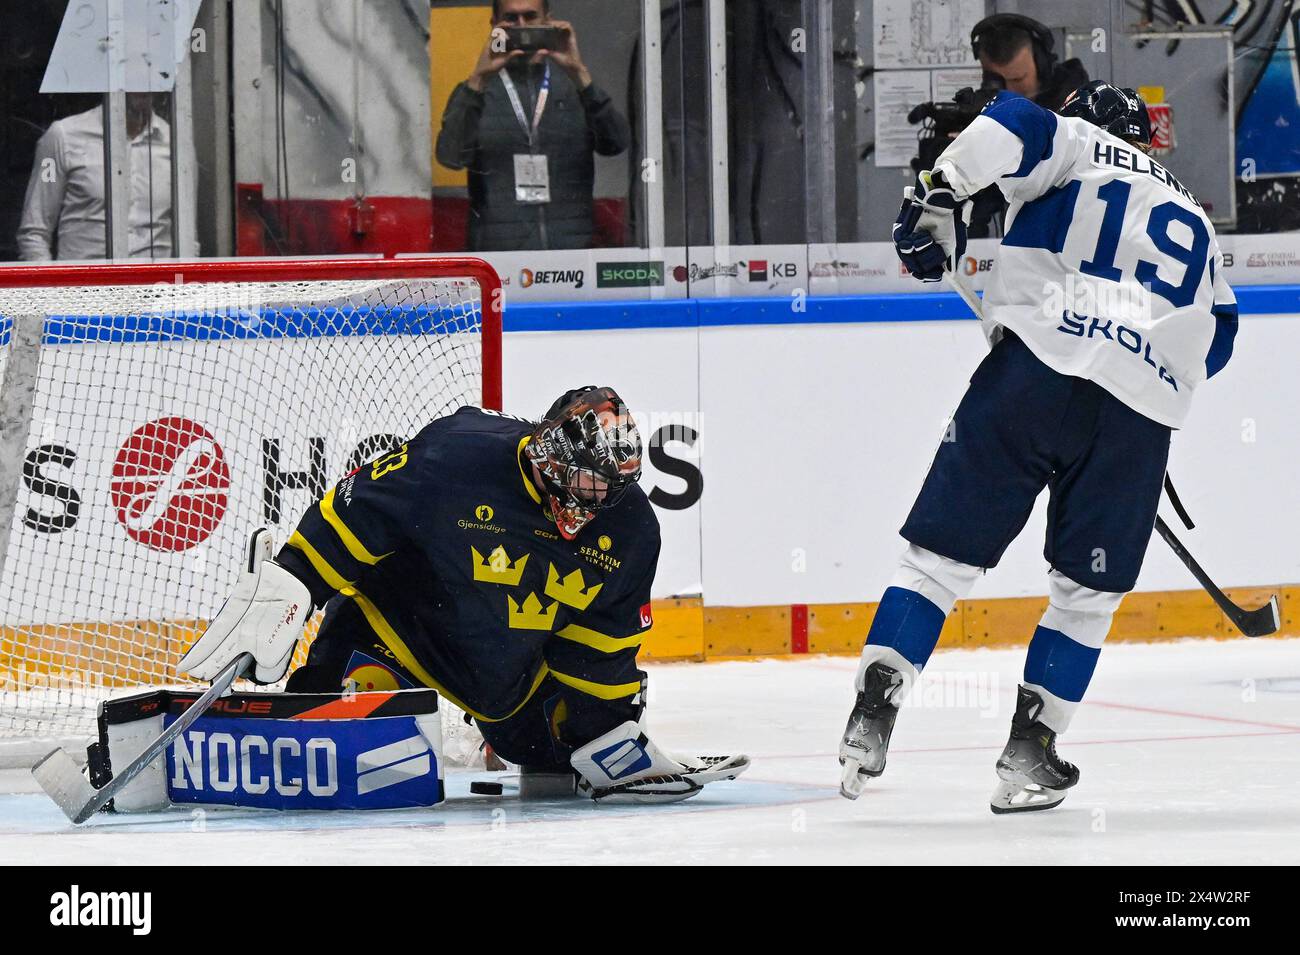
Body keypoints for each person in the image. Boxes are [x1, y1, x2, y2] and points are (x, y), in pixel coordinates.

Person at [841, 82, 1238, 813]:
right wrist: (1133, 365)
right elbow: (1219, 344)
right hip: (1135, 415)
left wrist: (937, 192)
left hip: (1028, 377)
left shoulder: (1074, 142)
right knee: (1085, 598)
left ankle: (874, 710)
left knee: (939, 562)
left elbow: (1015, 121)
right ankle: (1032, 749)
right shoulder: (1196, 218)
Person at [179, 386, 748, 802]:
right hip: (401, 628)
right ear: (550, 455)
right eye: (585, 484)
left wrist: (605, 729)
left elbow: (601, 644)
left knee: (550, 759)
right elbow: (357, 515)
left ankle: (513, 736)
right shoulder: (458, 455)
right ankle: (223, 741)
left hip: (507, 681)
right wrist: (295, 579)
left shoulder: (630, 529)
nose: (592, 505)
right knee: (324, 745)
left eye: (609, 490)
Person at [435, 0, 630, 251]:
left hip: (572, 255)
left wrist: (580, 73)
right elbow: (450, 158)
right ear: (494, 25)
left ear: (548, 21)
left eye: (530, 17)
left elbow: (616, 143)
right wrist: (479, 78)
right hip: (499, 256)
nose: (521, 27)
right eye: (511, 19)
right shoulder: (476, 91)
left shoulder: (574, 86)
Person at [16, 93, 197, 260]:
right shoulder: (63, 137)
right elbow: (34, 234)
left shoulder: (178, 145)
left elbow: (189, 240)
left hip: (156, 289)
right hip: (85, 289)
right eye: (131, 67)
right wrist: (58, 292)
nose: (141, 79)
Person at [962, 13, 1090, 237]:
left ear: (1041, 61)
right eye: (999, 82)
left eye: (1019, 79)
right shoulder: (993, 110)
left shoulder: (1079, 103)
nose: (1010, 90)